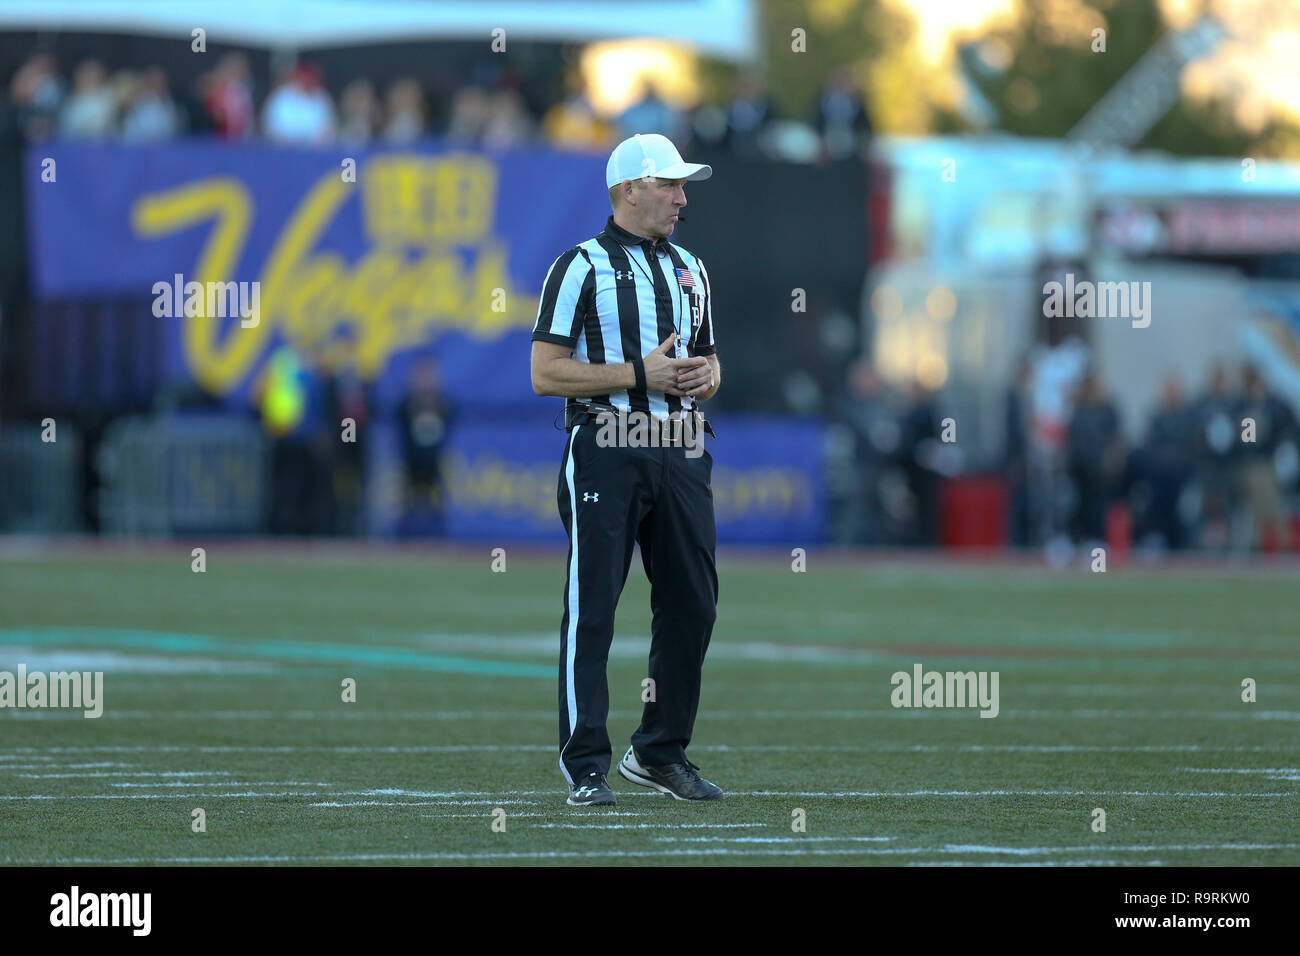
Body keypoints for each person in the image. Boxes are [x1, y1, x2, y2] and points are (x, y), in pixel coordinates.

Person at [530, 133, 722, 806]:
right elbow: (545, 373)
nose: (681, 197)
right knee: (593, 609)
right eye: (669, 184)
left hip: (681, 446)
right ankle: (586, 764)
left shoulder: (691, 268)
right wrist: (640, 372)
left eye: (682, 185)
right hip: (607, 444)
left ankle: (659, 752)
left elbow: (708, 361)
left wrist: (705, 375)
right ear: (627, 191)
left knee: (693, 603)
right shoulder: (578, 266)